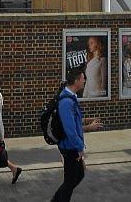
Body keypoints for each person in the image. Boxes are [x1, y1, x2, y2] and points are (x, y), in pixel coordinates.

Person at [52, 68, 104, 202]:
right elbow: (70, 129)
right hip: (70, 147)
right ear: (76, 81)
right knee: (70, 181)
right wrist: (80, 148)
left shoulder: (71, 97)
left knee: (78, 175)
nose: (84, 80)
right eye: (82, 78)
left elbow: (73, 120)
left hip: (72, 145)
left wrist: (86, 121)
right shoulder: (66, 101)